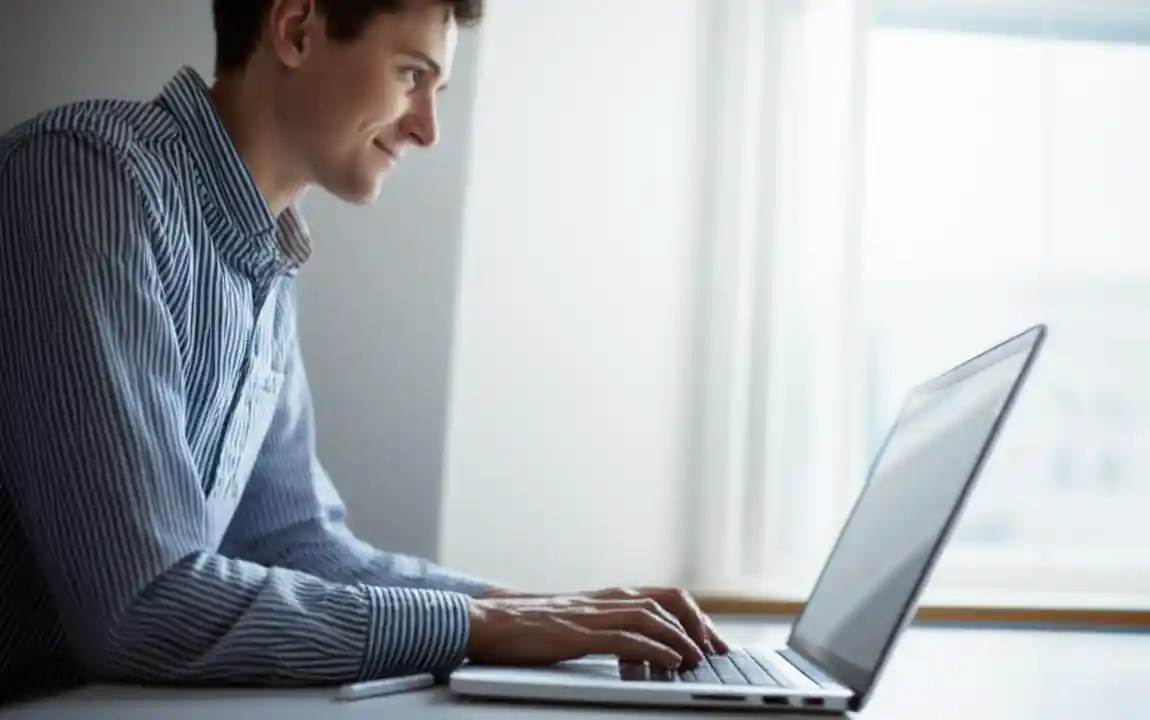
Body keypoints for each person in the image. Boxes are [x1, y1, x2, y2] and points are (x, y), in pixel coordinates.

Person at [0, 0, 728, 701]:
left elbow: (292, 543)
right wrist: (481, 626)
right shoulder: (88, 177)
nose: (427, 128)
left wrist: (543, 610)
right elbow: (143, 605)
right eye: (412, 74)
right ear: (295, 29)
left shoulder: (264, 260)